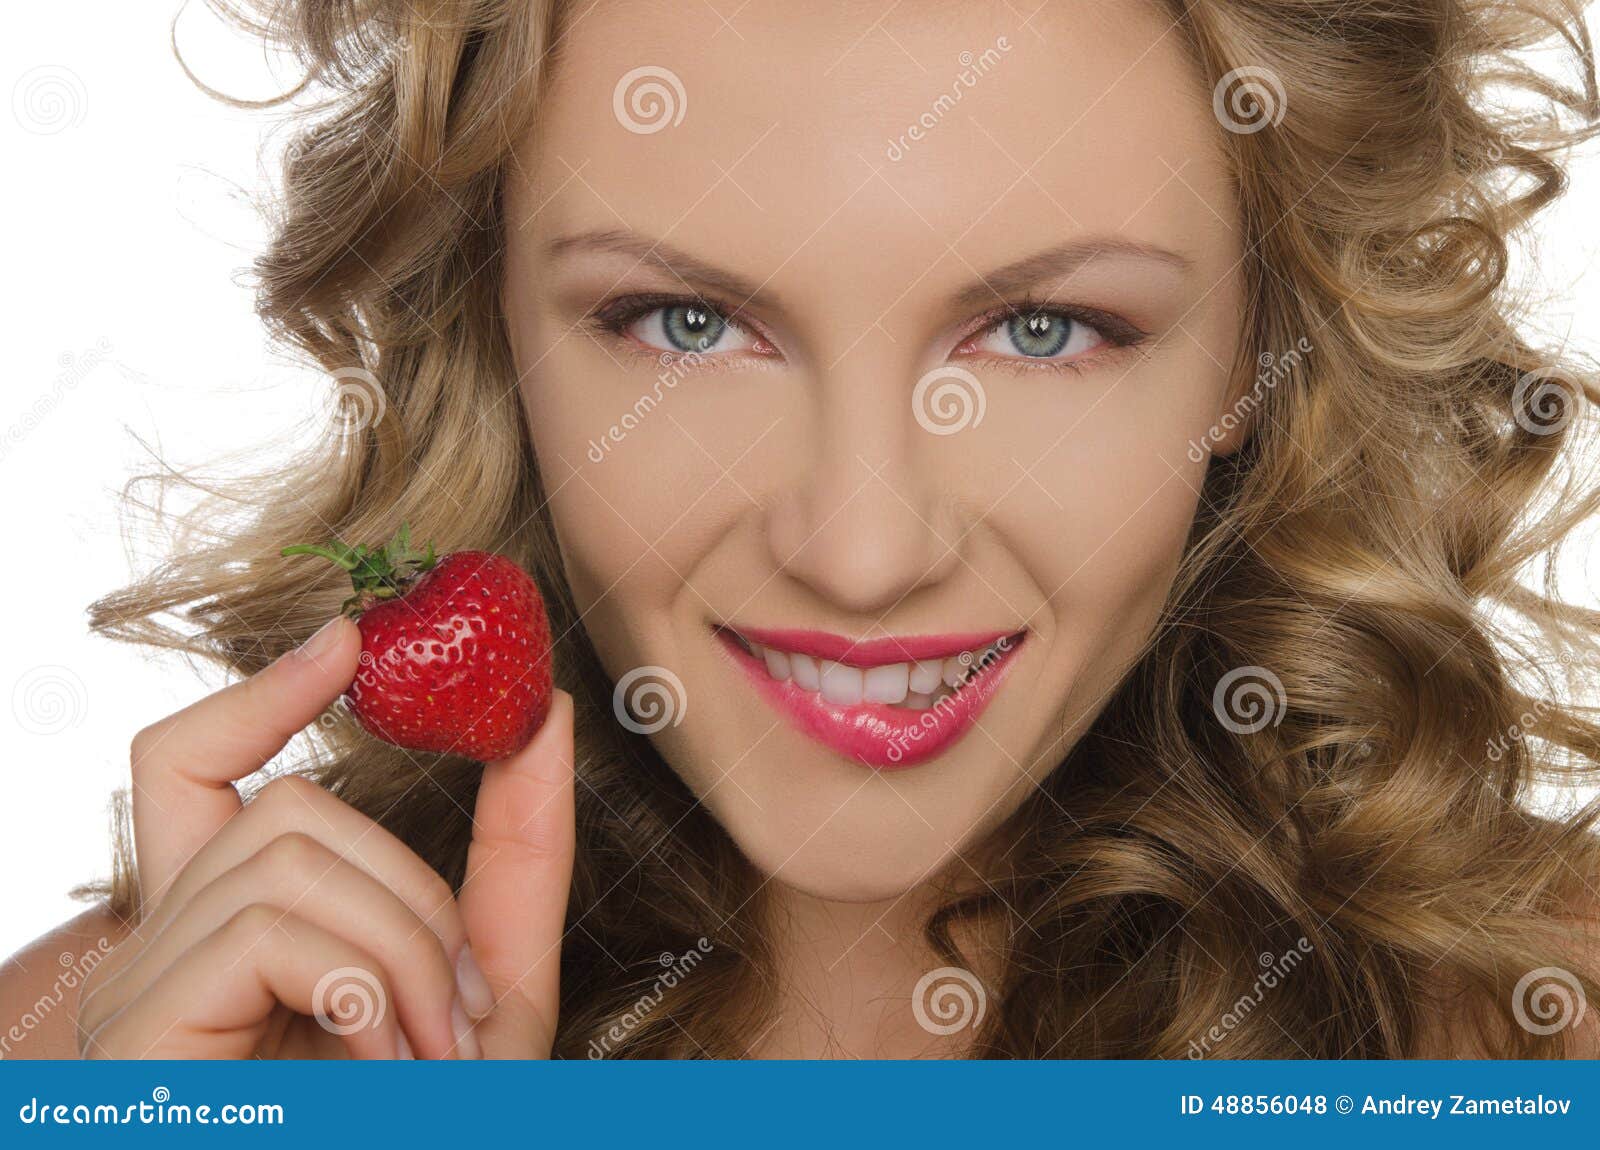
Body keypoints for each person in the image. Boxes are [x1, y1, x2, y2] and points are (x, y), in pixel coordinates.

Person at [5, 0, 1600, 1058]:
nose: (859, 548)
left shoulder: (1548, 1024)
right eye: (685, 322)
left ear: (1263, 351)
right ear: (493, 322)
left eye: (1044, 330)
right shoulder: (106, 1047)